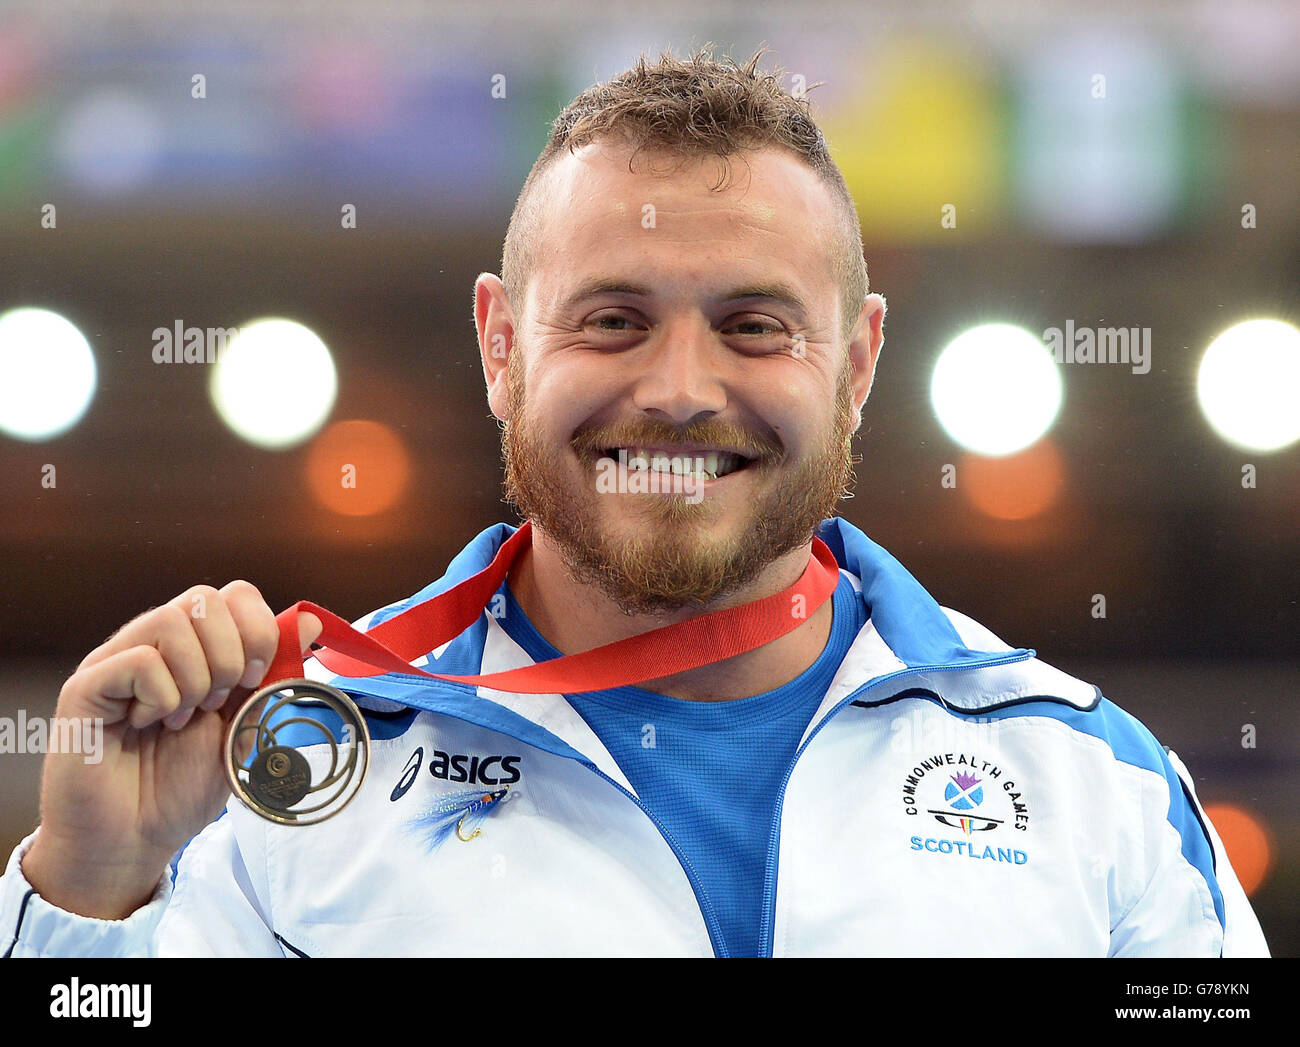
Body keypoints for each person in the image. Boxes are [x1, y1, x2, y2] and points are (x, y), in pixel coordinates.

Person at [1, 47, 1269, 958]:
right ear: (500, 347)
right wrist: (92, 892)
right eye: (613, 320)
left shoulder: (1089, 786)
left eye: (752, 325)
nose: (677, 390)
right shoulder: (300, 777)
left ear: (859, 362)